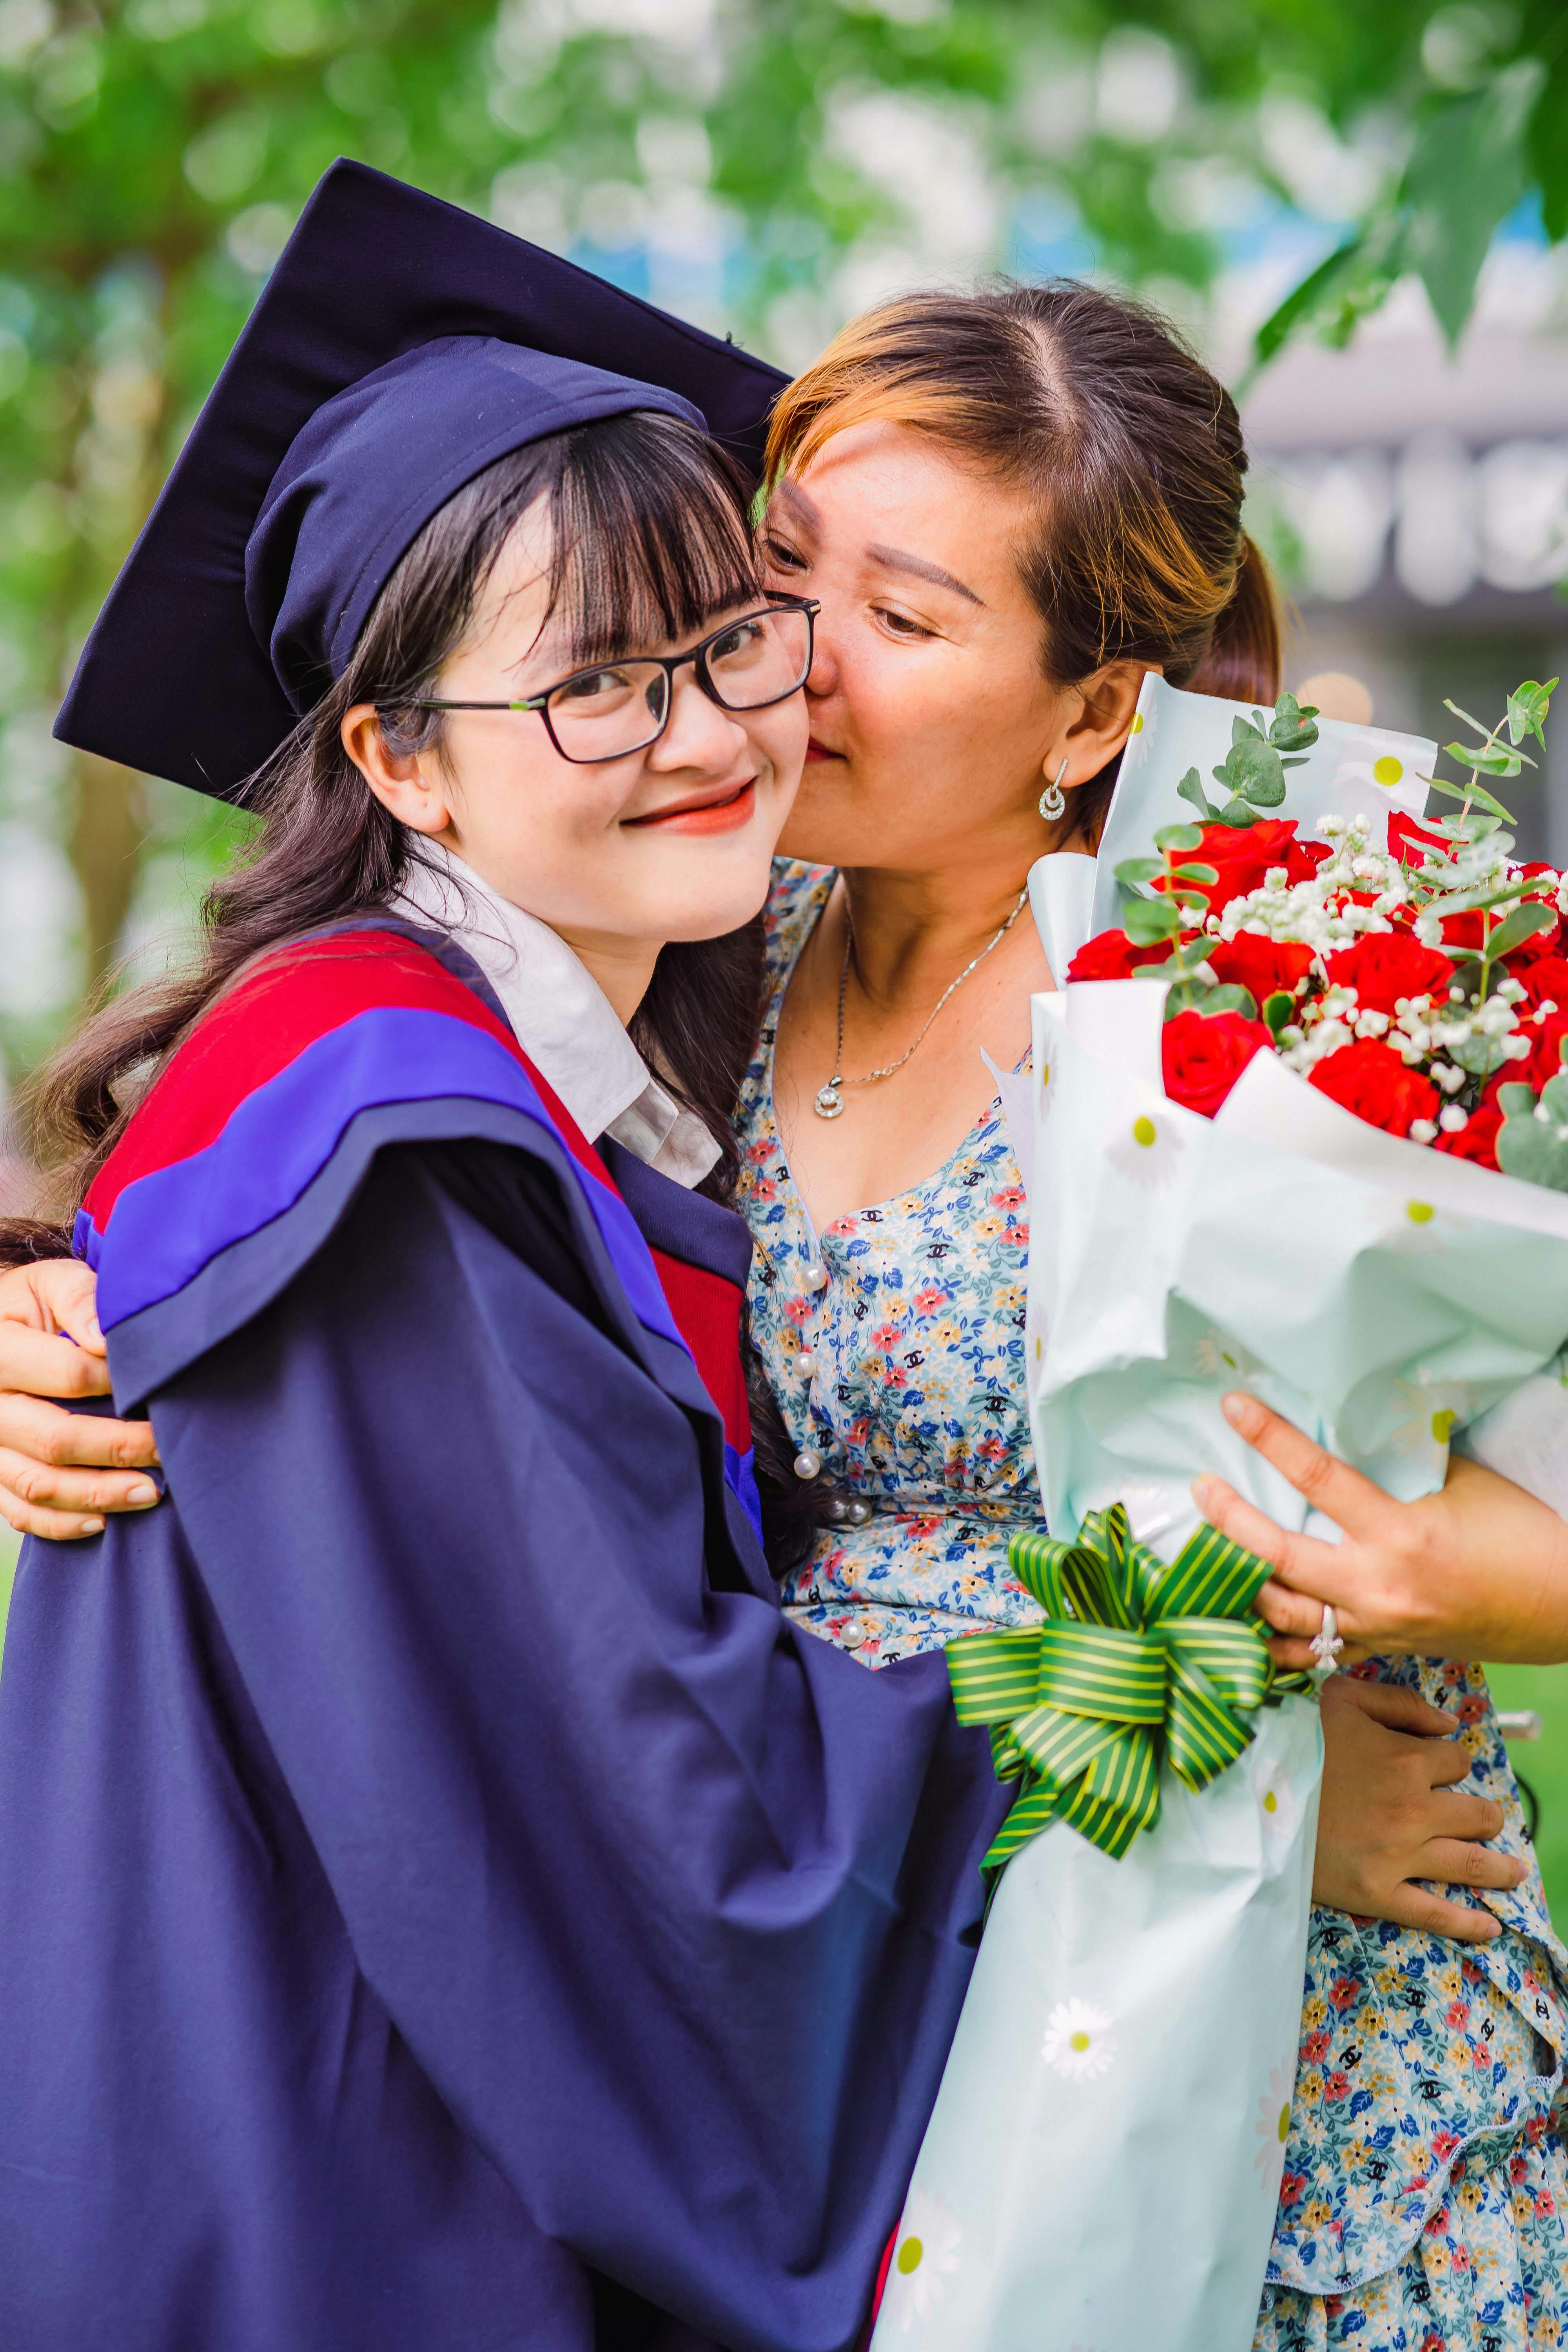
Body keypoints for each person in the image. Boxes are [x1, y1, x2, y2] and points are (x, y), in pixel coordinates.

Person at [4, 237, 1566, 2341]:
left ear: (1097, 703)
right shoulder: (698, 950)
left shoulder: (1273, 965)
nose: (780, 665)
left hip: (1227, 1958)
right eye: (779, 564)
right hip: (866, 1940)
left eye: (902, 617)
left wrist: (1391, 1647)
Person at [0, 163, 1016, 2352]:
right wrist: (1168, 1774)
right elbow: (645, 1787)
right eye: (596, 687)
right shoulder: (388, 1127)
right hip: (343, 2208)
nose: (709, 732)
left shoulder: (570, 1061)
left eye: (732, 637)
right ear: (397, 764)